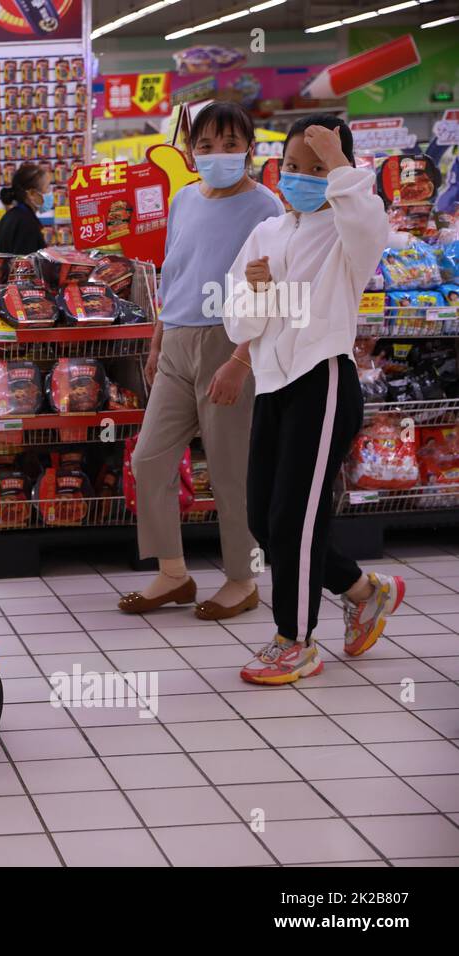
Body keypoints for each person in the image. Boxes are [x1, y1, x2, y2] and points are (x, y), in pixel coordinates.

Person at [223, 114, 404, 685]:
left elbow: (370, 222)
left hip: (323, 380)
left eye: (316, 168)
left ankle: (294, 640)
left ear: (338, 174)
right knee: (264, 518)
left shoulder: (348, 232)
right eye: (294, 167)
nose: (301, 179)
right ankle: (361, 590)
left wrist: (343, 166)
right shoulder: (270, 233)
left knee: (295, 520)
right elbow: (238, 322)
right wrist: (254, 292)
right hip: (274, 384)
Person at [120, 102, 283, 620]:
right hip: (177, 342)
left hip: (229, 342)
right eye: (206, 146)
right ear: (191, 152)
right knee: (149, 458)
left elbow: (274, 291)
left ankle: (242, 579)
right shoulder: (185, 198)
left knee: (232, 470)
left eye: (230, 145)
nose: (217, 155)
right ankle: (173, 572)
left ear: (250, 150)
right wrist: (156, 338)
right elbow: (175, 272)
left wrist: (241, 358)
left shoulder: (267, 208)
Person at [0, 163, 47, 255]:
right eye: (47, 188)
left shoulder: (13, 215)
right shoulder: (26, 222)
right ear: (32, 194)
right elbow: (26, 265)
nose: (49, 193)